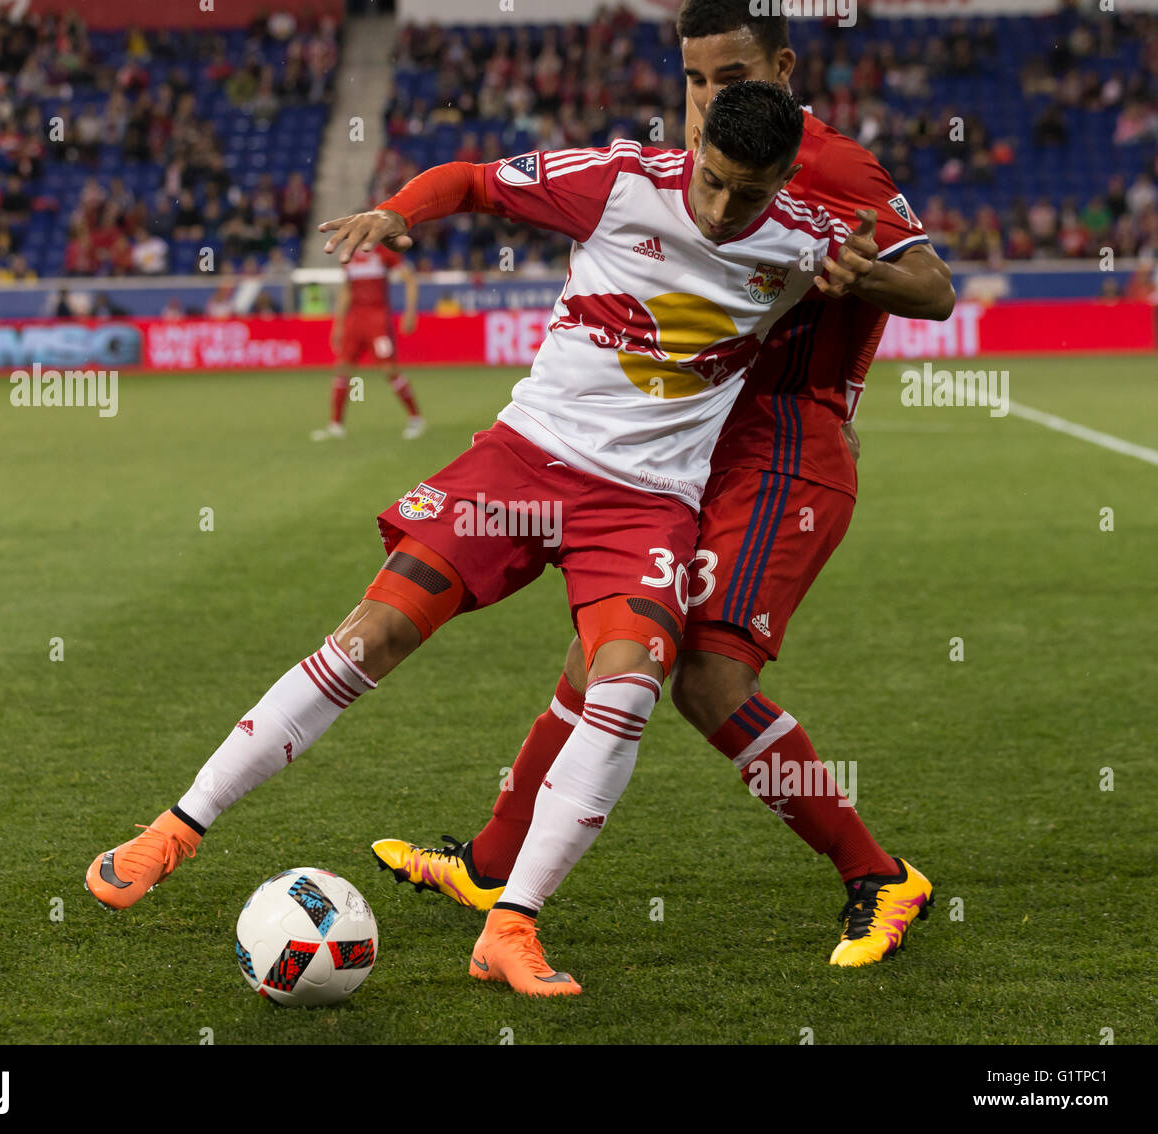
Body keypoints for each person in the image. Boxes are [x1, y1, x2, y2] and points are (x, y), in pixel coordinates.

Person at [84, 83, 856, 999]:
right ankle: (174, 828)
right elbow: (475, 180)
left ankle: (512, 926)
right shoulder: (616, 180)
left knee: (630, 687)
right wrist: (394, 212)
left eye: (750, 195)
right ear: (696, 152)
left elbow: (929, 284)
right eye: (716, 184)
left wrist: (873, 271)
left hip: (646, 504)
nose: (727, 211)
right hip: (524, 463)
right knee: (372, 635)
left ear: (781, 182)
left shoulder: (808, 239)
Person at [373, 0, 954, 976]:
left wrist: (856, 274)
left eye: (728, 81)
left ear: (782, 67)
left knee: (705, 677)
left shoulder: (833, 168)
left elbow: (933, 287)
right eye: (692, 81)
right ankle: (489, 863)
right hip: (697, 451)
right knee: (600, 648)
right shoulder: (687, 172)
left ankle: (878, 875)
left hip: (783, 450)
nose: (704, 101)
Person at [313, 228, 423, 442]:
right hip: (355, 320)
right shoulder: (349, 255)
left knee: (389, 369)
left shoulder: (383, 252)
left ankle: (415, 418)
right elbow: (347, 290)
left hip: (377, 320)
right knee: (342, 368)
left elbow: (409, 279)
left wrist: (410, 313)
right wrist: (339, 324)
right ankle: (335, 425)